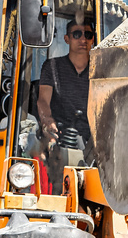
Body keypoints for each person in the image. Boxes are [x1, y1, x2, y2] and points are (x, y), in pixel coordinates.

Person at [37, 16, 95, 190]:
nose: (83, 39)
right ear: (66, 38)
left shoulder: (99, 69)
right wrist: (48, 121)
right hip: (60, 133)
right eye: (77, 34)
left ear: (93, 39)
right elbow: (43, 100)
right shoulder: (52, 66)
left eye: (88, 34)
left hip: (91, 135)